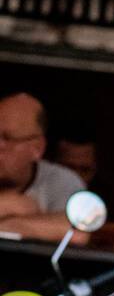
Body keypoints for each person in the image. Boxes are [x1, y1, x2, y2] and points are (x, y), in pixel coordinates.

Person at [0, 92, 88, 242]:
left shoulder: (62, 181)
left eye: (8, 139)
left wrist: (14, 224)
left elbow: (78, 234)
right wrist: (5, 206)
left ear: (37, 148)